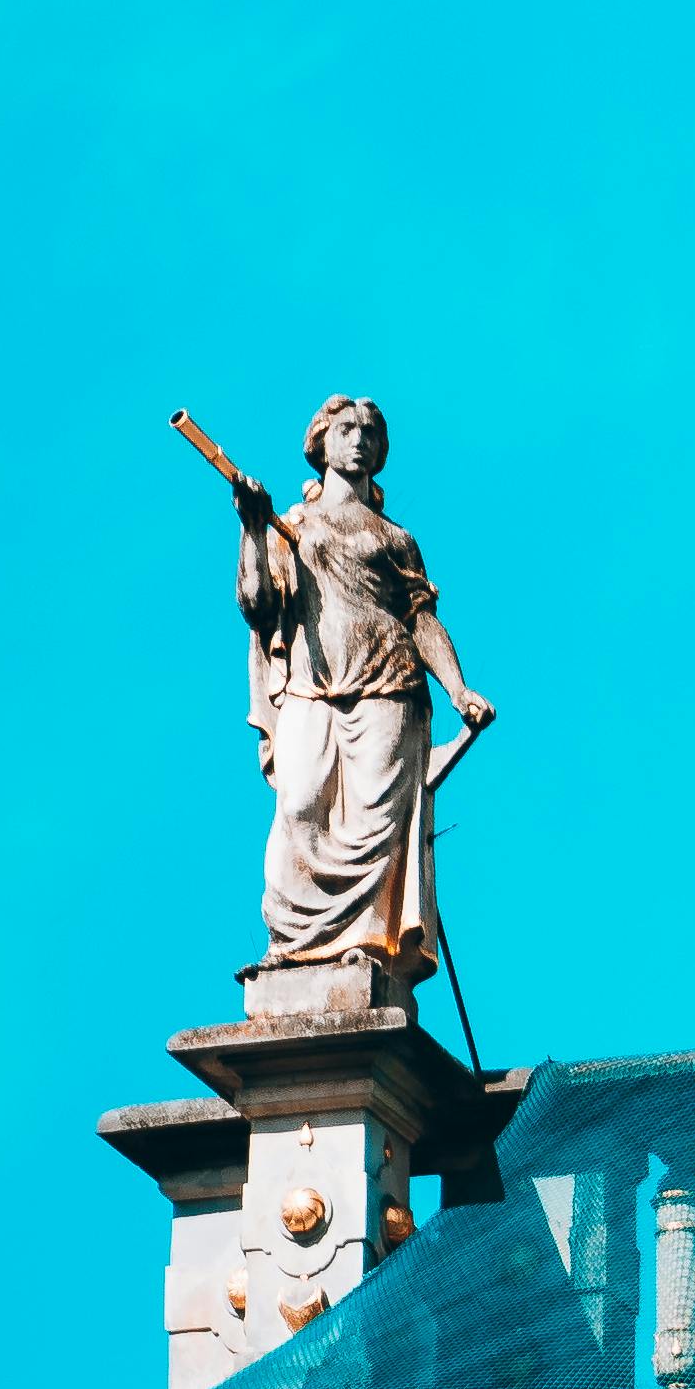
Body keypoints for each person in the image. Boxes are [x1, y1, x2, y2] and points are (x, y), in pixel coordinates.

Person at [219, 395, 491, 966]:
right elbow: (256, 603)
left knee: (374, 821)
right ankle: (291, 946)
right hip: (312, 687)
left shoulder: (396, 539)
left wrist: (458, 688)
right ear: (322, 441)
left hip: (389, 685)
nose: (360, 439)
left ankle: (365, 944)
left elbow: (421, 619)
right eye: (347, 429)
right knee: (298, 807)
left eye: (370, 431)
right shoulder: (289, 525)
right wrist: (250, 527)